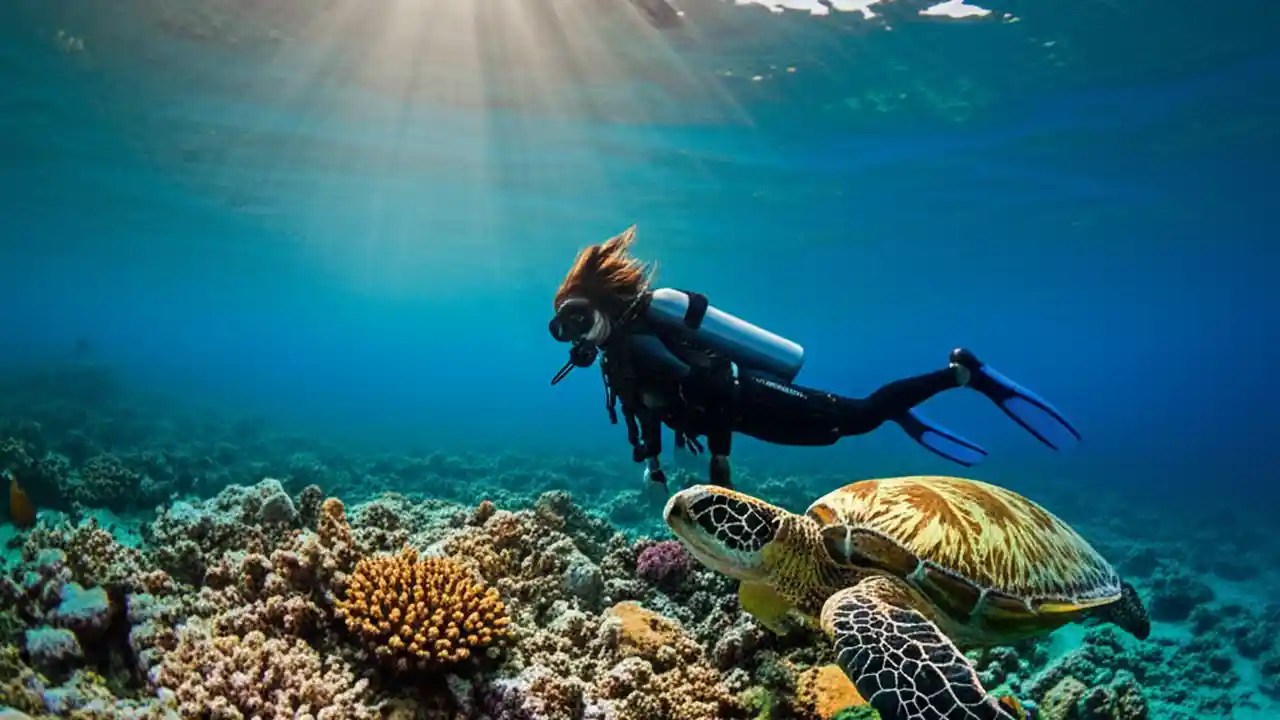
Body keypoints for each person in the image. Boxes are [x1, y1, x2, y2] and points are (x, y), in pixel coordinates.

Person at [548, 226, 1081, 488]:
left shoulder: (640, 341)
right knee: (842, 427)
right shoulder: (621, 357)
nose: (575, 332)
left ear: (600, 305)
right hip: (746, 414)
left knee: (858, 418)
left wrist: (719, 461)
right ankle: (898, 407)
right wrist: (656, 465)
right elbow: (644, 411)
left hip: (749, 396)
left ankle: (962, 373)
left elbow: (707, 388)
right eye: (563, 328)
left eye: (577, 316)